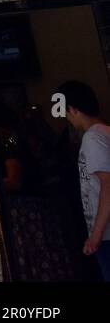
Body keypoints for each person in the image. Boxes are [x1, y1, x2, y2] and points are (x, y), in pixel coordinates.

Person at [56, 80, 110, 279]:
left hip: (107, 234)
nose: (66, 118)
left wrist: (95, 236)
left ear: (72, 109)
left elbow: (107, 184)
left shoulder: (92, 138)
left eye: (65, 112)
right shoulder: (105, 131)